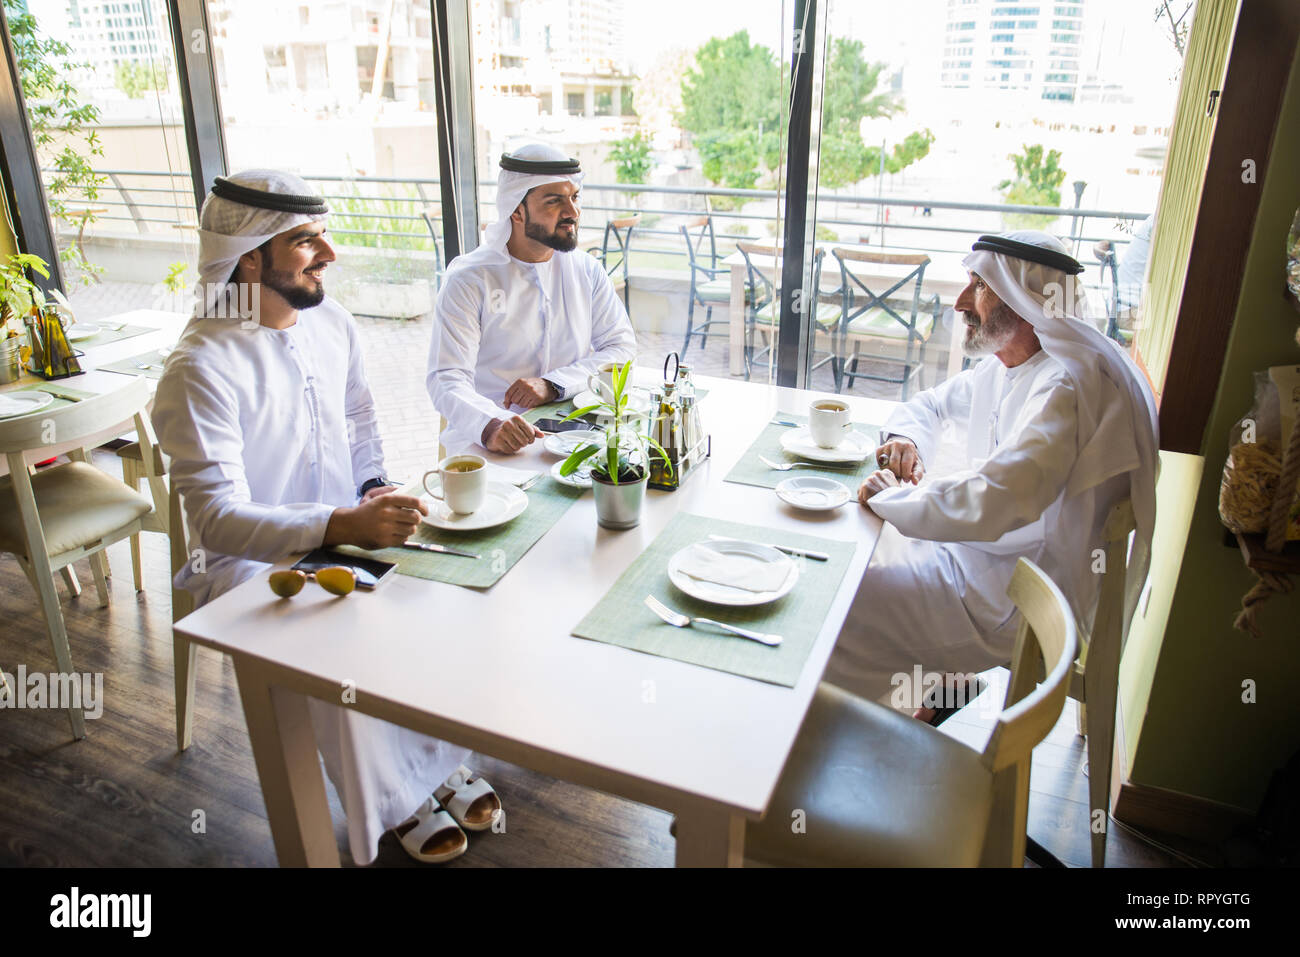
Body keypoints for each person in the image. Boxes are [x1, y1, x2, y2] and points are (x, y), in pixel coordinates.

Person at [152, 170, 500, 865]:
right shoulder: (198, 367)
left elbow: (360, 418)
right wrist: (338, 525)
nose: (329, 253)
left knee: (447, 595)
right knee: (340, 636)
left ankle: (431, 766)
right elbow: (218, 521)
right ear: (250, 258)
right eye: (307, 241)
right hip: (254, 566)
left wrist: (372, 486)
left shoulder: (333, 324)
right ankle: (398, 800)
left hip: (347, 527)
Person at [823, 231, 1158, 719]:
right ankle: (934, 694)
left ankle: (847, 736)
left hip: (1017, 592)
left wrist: (893, 499)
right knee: (856, 558)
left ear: (1026, 301)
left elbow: (1000, 497)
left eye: (978, 286)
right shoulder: (1011, 365)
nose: (961, 302)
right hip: (991, 557)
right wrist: (908, 443)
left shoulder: (1064, 386)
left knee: (842, 602)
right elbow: (933, 404)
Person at [427, 143, 637, 453]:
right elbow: (446, 377)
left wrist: (553, 384)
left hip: (575, 434)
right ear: (516, 209)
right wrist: (492, 423)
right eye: (554, 201)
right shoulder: (470, 279)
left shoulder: (586, 271)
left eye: (574, 197)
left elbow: (622, 350)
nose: (572, 213)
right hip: (491, 442)